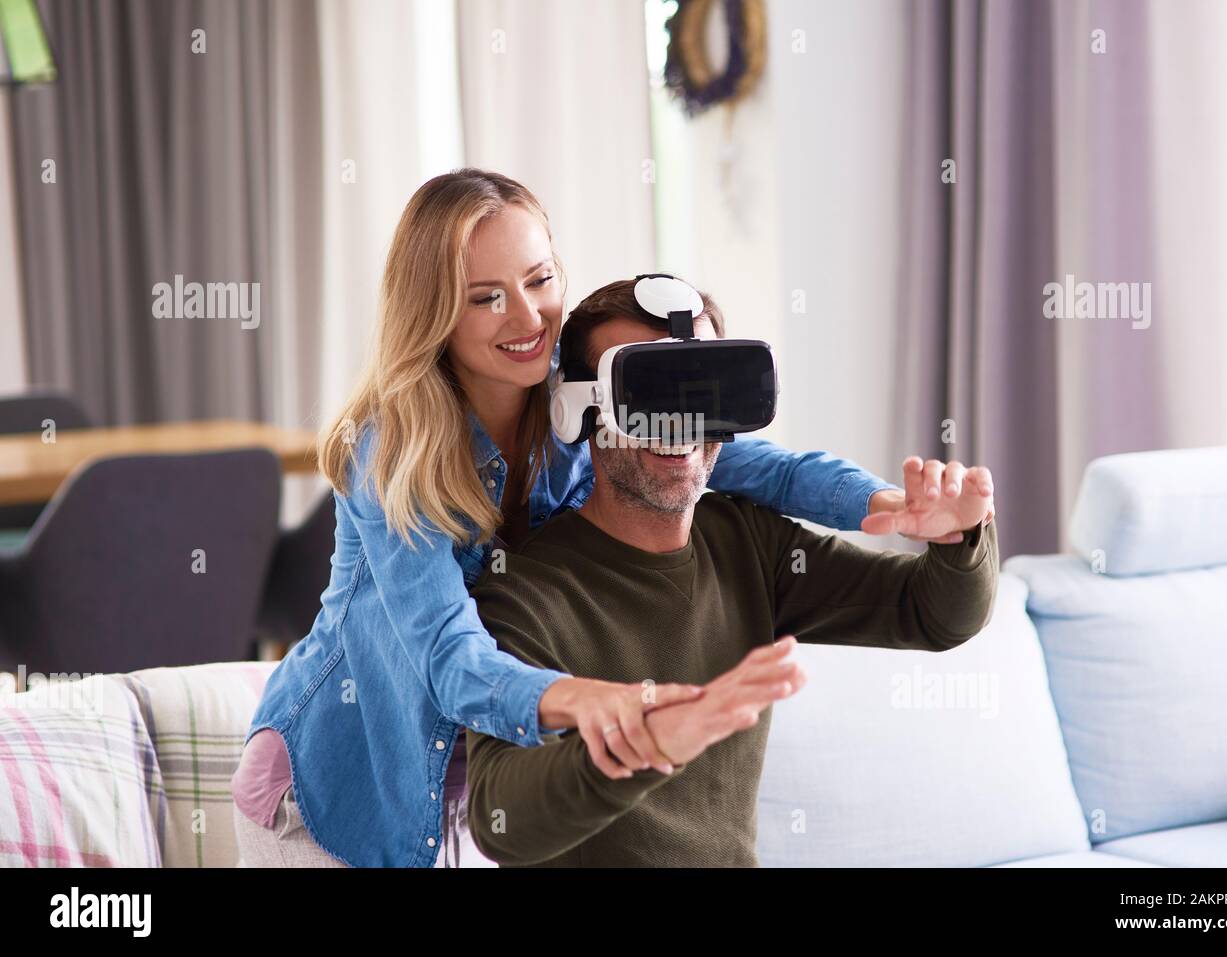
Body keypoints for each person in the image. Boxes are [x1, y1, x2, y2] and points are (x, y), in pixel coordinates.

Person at [231, 169, 972, 868]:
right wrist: (592, 698)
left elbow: (753, 462)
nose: (527, 317)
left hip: (457, 774)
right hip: (339, 779)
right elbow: (450, 660)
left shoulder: (582, 404)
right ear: (434, 311)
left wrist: (891, 505)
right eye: (485, 296)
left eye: (540, 279)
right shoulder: (396, 451)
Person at [463, 278, 999, 867]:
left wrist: (957, 537)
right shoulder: (520, 592)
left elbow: (934, 614)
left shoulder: (748, 542)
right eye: (648, 395)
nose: (681, 427)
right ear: (577, 411)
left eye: (701, 390)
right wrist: (645, 742)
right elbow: (498, 820)